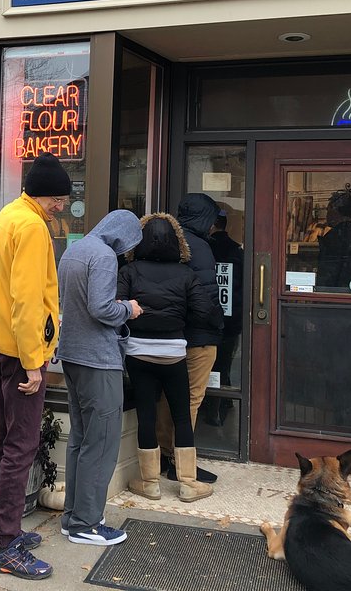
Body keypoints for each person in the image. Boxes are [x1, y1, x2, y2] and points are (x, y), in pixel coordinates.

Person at [0, 152, 71, 580]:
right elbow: (30, 301)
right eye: (59, 199)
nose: (63, 206)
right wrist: (36, 364)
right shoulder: (32, 227)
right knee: (21, 446)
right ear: (46, 195)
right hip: (20, 352)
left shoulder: (8, 215)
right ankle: (6, 544)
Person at [117, 213, 218, 503]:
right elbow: (205, 313)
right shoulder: (186, 274)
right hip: (174, 353)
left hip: (137, 352)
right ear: (178, 242)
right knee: (182, 415)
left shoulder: (130, 270)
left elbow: (118, 306)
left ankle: (149, 483)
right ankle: (188, 483)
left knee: (146, 415)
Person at [56, 209, 143, 546]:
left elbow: (79, 302)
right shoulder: (105, 256)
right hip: (98, 359)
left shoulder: (75, 249)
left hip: (73, 355)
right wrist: (129, 309)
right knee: (102, 442)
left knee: (80, 438)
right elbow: (102, 308)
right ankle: (86, 523)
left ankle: (72, 517)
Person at [155, 193, 224, 484]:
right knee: (191, 399)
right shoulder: (201, 248)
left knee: (165, 398)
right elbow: (206, 296)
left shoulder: (163, 239)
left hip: (167, 335)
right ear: (205, 219)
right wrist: (219, 322)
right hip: (198, 335)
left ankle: (159, 456)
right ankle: (182, 463)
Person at [205, 208, 244, 426]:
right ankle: (224, 403)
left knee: (211, 364)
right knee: (225, 361)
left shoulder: (203, 249)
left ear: (211, 225)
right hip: (232, 319)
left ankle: (214, 409)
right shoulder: (237, 251)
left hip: (208, 318)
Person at [316, 190, 351, 290]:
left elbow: (328, 273)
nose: (327, 214)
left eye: (328, 210)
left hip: (333, 293)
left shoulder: (333, 238)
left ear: (335, 211)